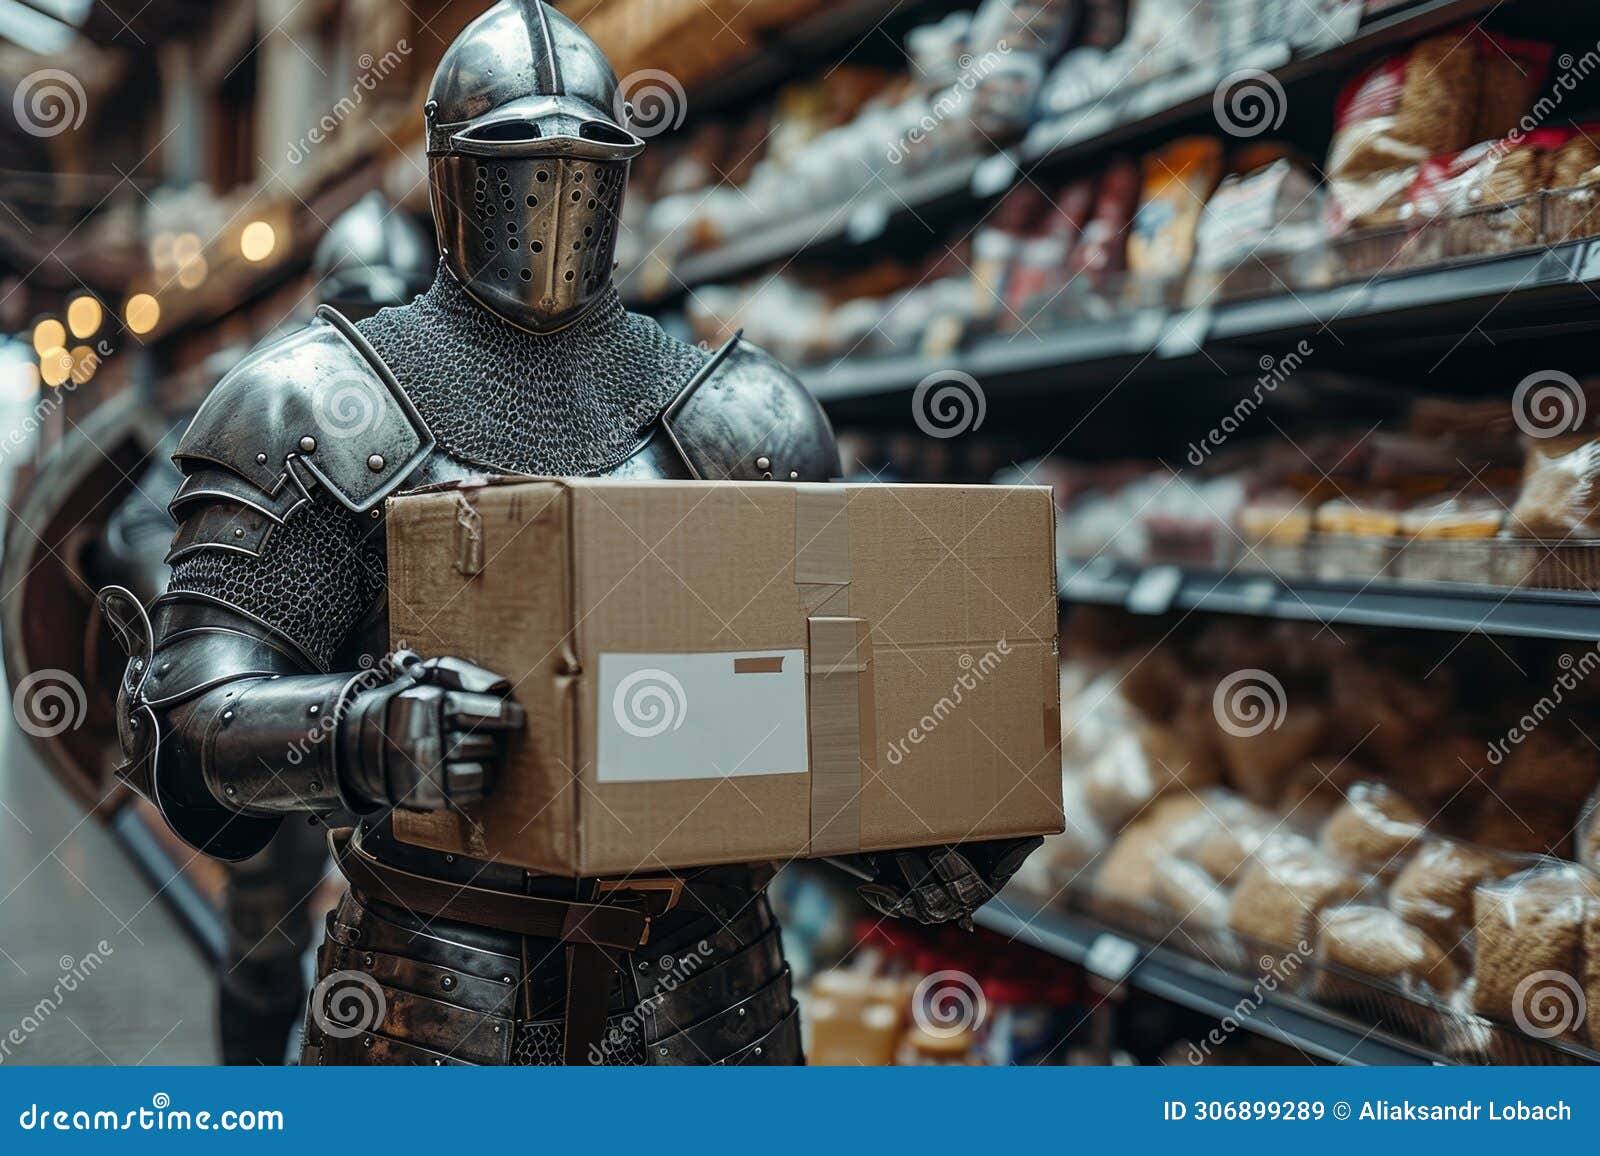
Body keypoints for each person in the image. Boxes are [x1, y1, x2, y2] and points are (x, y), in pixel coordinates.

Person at [104, 0, 1038, 1066]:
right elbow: (187, 719)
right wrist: (363, 731)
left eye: (579, 164)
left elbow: (825, 722)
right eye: (513, 162)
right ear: (451, 174)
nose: (548, 201)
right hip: (431, 990)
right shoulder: (312, 404)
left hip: (711, 993)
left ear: (618, 172)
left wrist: (939, 793)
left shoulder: (744, 418)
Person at [88, 193, 434, 1065]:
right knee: (268, 916)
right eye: (356, 307)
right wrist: (214, 612)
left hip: (410, 686)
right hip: (283, 687)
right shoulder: (272, 386)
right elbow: (136, 528)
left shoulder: (444, 394)